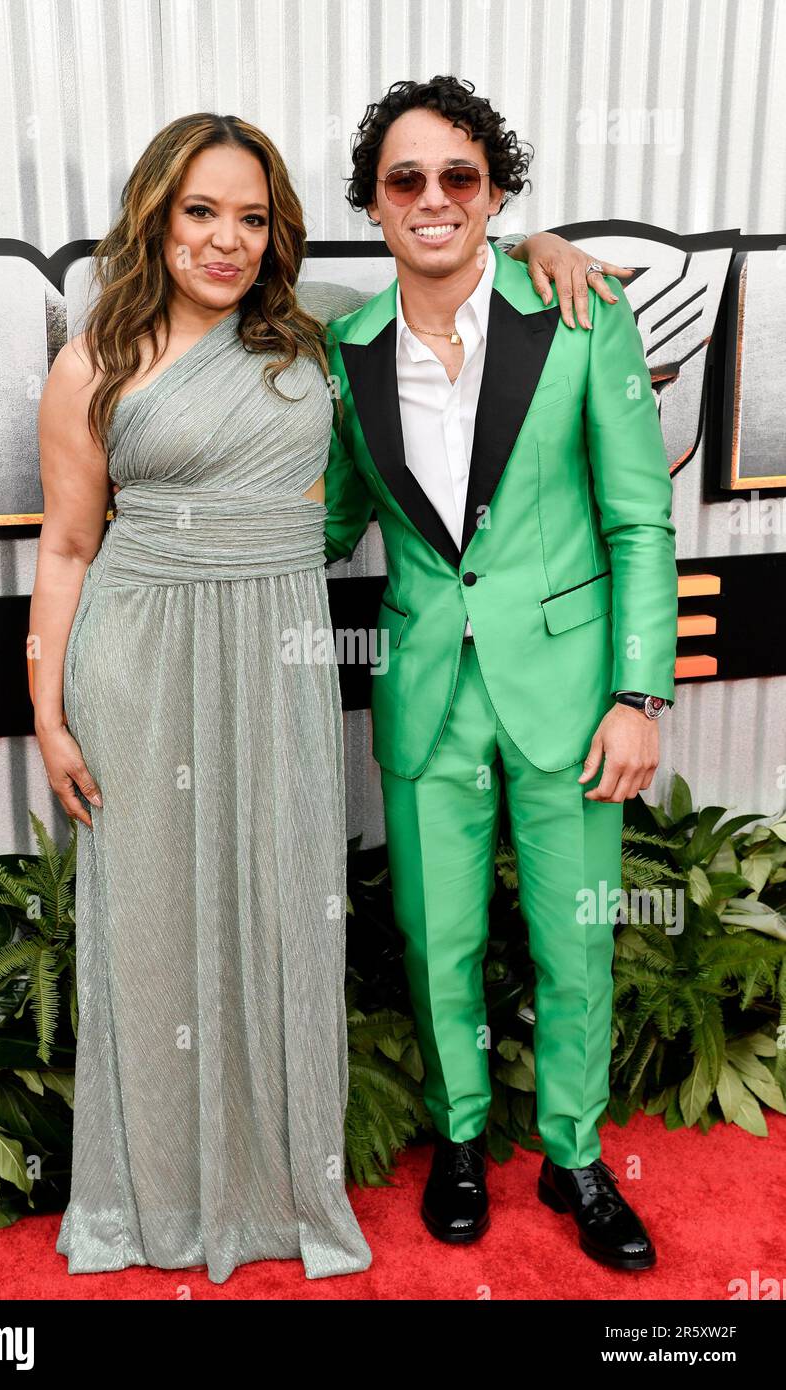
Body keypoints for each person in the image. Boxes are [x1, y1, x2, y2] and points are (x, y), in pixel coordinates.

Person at [30, 109, 623, 1284]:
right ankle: (158, 1191)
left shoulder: (313, 347)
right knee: (152, 926)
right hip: (138, 664)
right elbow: (65, 547)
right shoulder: (93, 361)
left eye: (252, 218)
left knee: (286, 916)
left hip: (277, 663)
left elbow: (451, 282)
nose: (226, 239)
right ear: (155, 215)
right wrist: (49, 714)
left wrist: (545, 246)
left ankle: (282, 1183)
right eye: (201, 210)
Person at [323, 76, 678, 1272]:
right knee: (438, 942)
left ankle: (576, 1157)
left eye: (459, 176)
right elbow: (329, 521)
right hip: (428, 691)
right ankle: (461, 1139)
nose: (433, 198)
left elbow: (639, 521)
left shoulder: (579, 313)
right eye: (406, 179)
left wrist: (639, 694)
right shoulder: (346, 352)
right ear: (375, 203)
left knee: (578, 942)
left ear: (494, 192)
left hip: (572, 694)